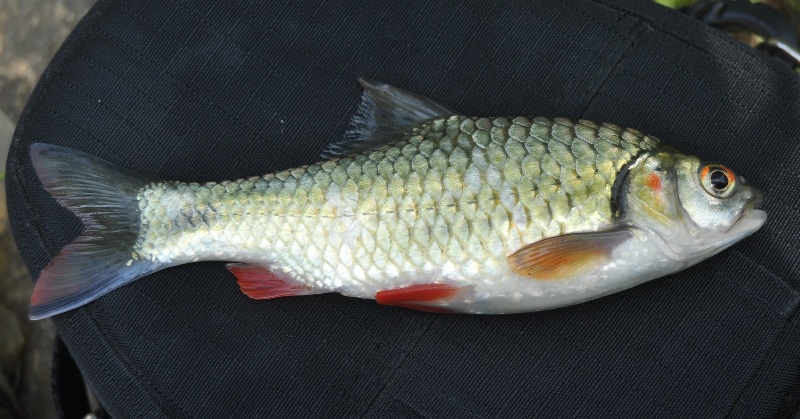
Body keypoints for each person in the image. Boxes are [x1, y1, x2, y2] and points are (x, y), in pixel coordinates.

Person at [7, 0, 800, 416]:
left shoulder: (623, 200)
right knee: (173, 221)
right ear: (651, 182)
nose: (733, 197)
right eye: (717, 184)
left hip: (391, 223)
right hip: (369, 217)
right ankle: (151, 224)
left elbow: (535, 265)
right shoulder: (621, 197)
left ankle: (155, 222)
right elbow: (538, 265)